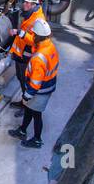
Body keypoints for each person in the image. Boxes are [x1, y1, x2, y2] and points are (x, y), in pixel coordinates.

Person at [8, 18, 58, 149]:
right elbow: (32, 41)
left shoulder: (38, 58)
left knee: (36, 115)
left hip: (39, 91)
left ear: (38, 36)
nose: (33, 35)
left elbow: (36, 81)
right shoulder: (48, 45)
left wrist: (27, 95)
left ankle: (37, 140)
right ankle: (22, 130)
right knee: (29, 110)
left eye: (33, 34)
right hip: (48, 86)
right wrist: (20, 33)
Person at [9, 0, 44, 107]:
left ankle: (27, 105)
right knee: (21, 78)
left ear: (35, 5)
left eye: (27, 3)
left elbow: (35, 40)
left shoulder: (38, 20)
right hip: (21, 54)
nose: (24, 4)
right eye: (24, 2)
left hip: (27, 56)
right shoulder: (31, 14)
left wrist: (19, 32)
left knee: (26, 81)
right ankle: (24, 102)